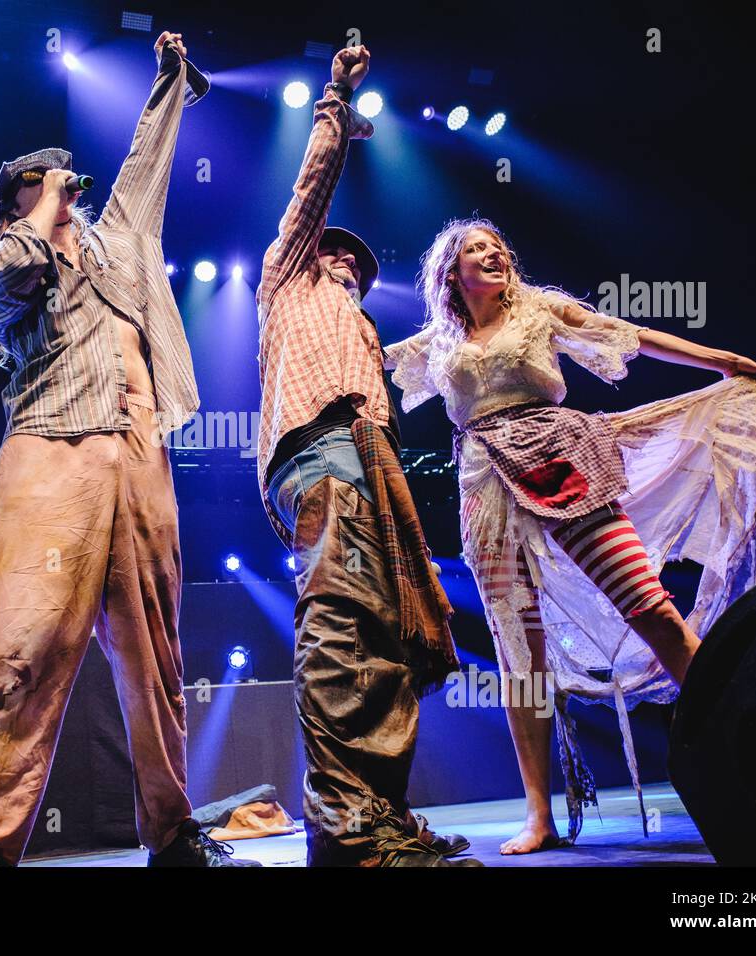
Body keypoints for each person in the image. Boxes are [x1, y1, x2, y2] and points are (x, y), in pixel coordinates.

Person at [385, 217, 756, 853]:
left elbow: (629, 334)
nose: (494, 254)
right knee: (520, 659)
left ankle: (755, 746)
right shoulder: (437, 342)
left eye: (497, 247)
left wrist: (719, 359)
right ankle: (539, 816)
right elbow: (369, 363)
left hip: (560, 460)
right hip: (485, 485)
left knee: (651, 606)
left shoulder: (537, 309)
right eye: (477, 249)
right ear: (451, 272)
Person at [0, 31, 253, 867]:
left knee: (156, 654)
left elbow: (144, 167)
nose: (61, 186)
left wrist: (169, 82)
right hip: (51, 450)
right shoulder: (9, 259)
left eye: (62, 178)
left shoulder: (118, 241)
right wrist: (41, 208)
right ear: (15, 202)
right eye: (37, 182)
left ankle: (173, 833)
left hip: (140, 448)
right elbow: (10, 273)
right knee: (18, 647)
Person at [256, 45, 479, 868]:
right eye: (335, 251)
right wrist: (337, 99)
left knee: (385, 640)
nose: (347, 260)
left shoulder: (364, 329)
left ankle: (378, 816)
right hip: (320, 456)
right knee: (343, 626)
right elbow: (311, 190)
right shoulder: (287, 278)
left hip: (367, 466)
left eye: (359, 259)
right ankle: (345, 829)